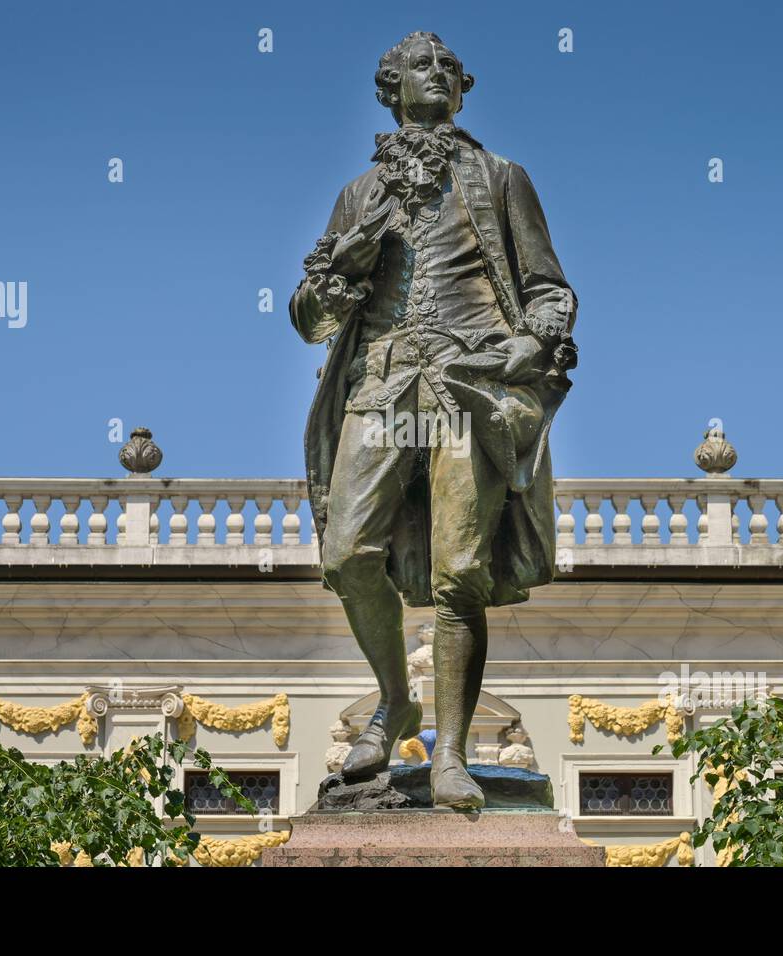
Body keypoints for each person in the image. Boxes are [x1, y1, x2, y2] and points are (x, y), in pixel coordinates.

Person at [289, 32, 577, 808]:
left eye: (450, 67)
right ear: (391, 88)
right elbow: (308, 320)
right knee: (348, 552)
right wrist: (339, 277)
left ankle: (450, 752)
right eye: (424, 66)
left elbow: (549, 288)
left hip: (467, 387)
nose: (440, 75)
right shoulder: (358, 194)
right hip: (381, 388)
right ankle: (396, 699)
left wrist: (530, 342)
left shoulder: (499, 177)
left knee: (460, 575)